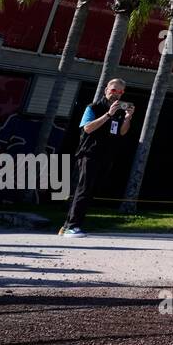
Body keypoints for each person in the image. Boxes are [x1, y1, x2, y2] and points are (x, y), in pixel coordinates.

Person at [60, 79, 135, 237]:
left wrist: (128, 117)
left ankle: (67, 225)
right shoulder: (93, 107)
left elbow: (121, 132)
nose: (116, 95)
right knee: (84, 190)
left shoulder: (119, 112)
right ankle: (72, 226)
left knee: (91, 191)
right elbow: (87, 128)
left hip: (106, 155)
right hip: (89, 154)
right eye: (114, 90)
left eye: (120, 92)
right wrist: (108, 114)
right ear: (106, 90)